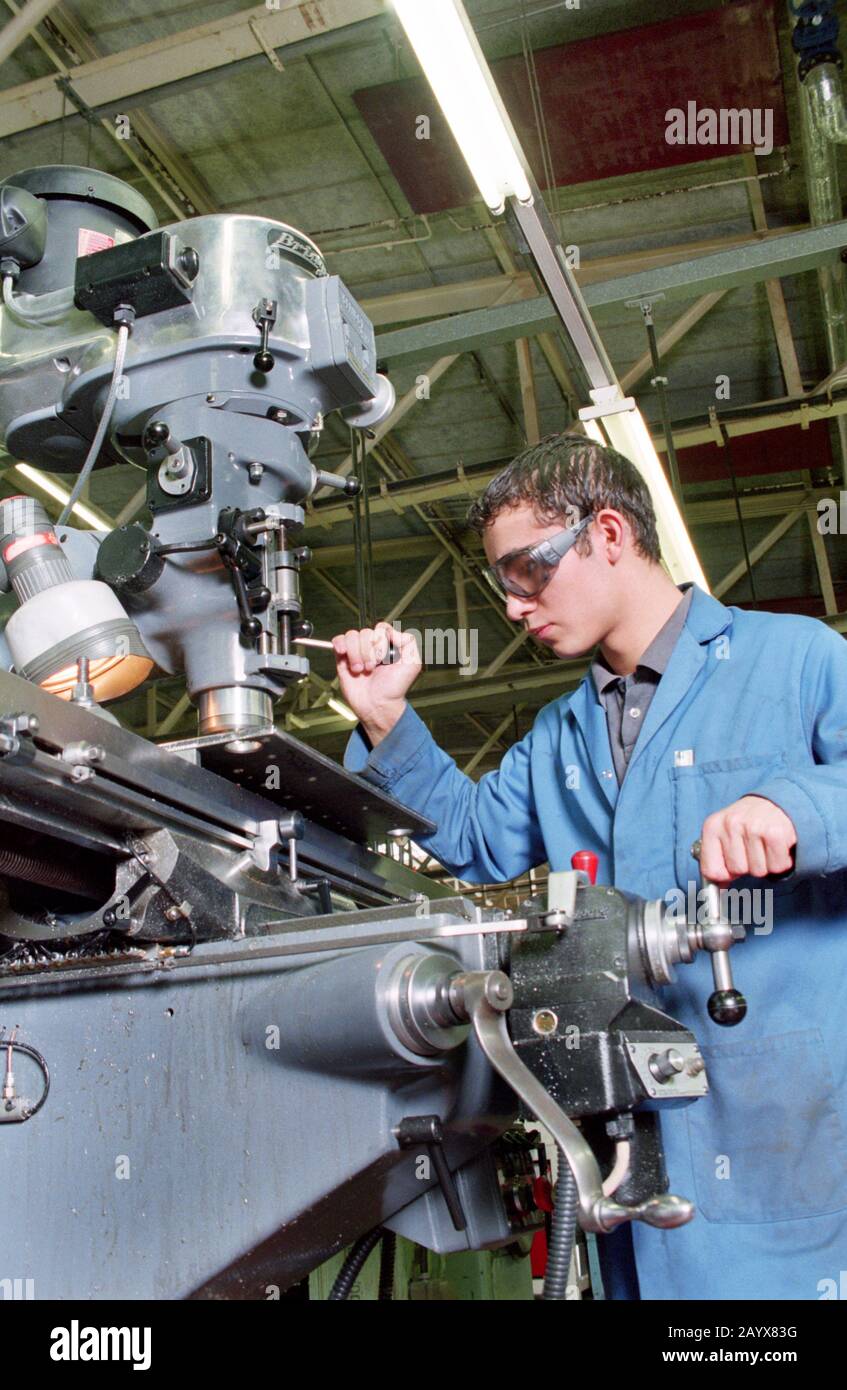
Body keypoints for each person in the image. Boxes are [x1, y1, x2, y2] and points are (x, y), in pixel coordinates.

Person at [331, 432, 847, 1301]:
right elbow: (472, 836)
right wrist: (387, 718)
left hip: (788, 1129)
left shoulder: (794, 661)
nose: (511, 604)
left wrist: (792, 808)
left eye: (526, 570)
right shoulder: (557, 738)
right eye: (500, 583)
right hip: (626, 1132)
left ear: (608, 532)